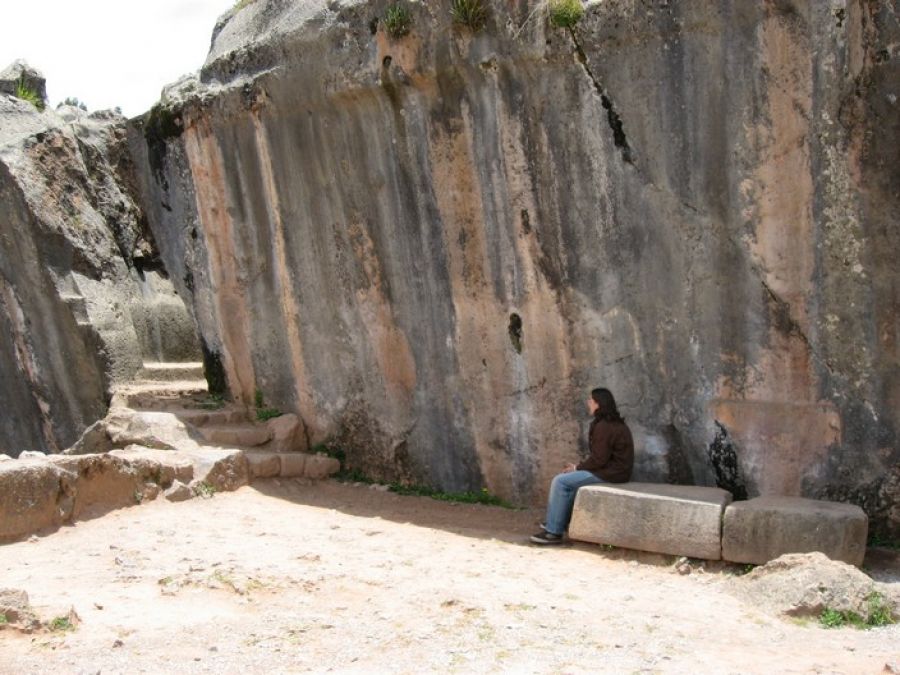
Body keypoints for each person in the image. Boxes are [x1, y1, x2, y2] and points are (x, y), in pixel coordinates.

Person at [530, 387, 634, 545]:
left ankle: (553, 533)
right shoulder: (608, 423)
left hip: (612, 473)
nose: (588, 402)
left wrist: (576, 468)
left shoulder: (604, 426)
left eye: (591, 400)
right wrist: (577, 468)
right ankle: (557, 521)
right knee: (568, 482)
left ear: (598, 404)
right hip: (613, 471)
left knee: (560, 481)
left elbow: (599, 460)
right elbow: (600, 458)